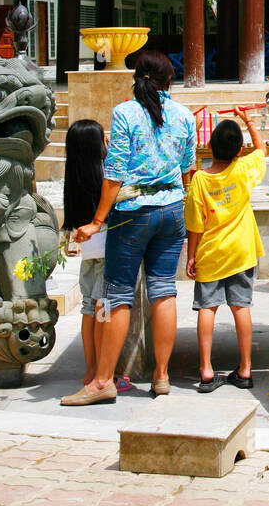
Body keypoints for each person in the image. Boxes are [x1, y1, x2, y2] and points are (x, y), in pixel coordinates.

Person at [71, 50, 196, 404]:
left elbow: (113, 174)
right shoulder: (184, 116)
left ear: (138, 77)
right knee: (164, 290)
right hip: (171, 211)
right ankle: (161, 375)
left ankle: (103, 380)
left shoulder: (125, 114)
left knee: (116, 295)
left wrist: (97, 221)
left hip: (132, 214)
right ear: (169, 81)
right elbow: (189, 170)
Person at [184, 108, 266, 391]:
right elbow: (262, 149)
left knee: (207, 308)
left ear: (209, 147)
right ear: (238, 151)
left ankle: (206, 370)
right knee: (241, 307)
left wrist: (191, 255)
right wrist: (249, 121)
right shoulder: (244, 169)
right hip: (241, 252)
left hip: (211, 253)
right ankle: (245, 369)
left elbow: (194, 222)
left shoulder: (200, 180)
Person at [60, 119, 126, 406]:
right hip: (105, 248)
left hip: (88, 252)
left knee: (90, 307)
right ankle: (102, 371)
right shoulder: (103, 176)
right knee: (104, 308)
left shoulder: (73, 178)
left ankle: (89, 370)